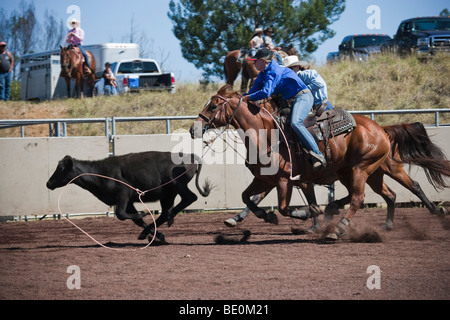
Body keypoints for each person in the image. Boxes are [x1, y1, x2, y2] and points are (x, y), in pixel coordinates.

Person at [242, 48, 326, 170]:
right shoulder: (263, 74)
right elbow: (251, 92)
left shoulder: (273, 71)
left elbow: (266, 92)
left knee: (295, 123)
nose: (253, 64)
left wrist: (248, 97)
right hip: (291, 101)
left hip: (303, 96)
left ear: (263, 61)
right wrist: (239, 98)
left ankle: (318, 154)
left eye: (255, 61)